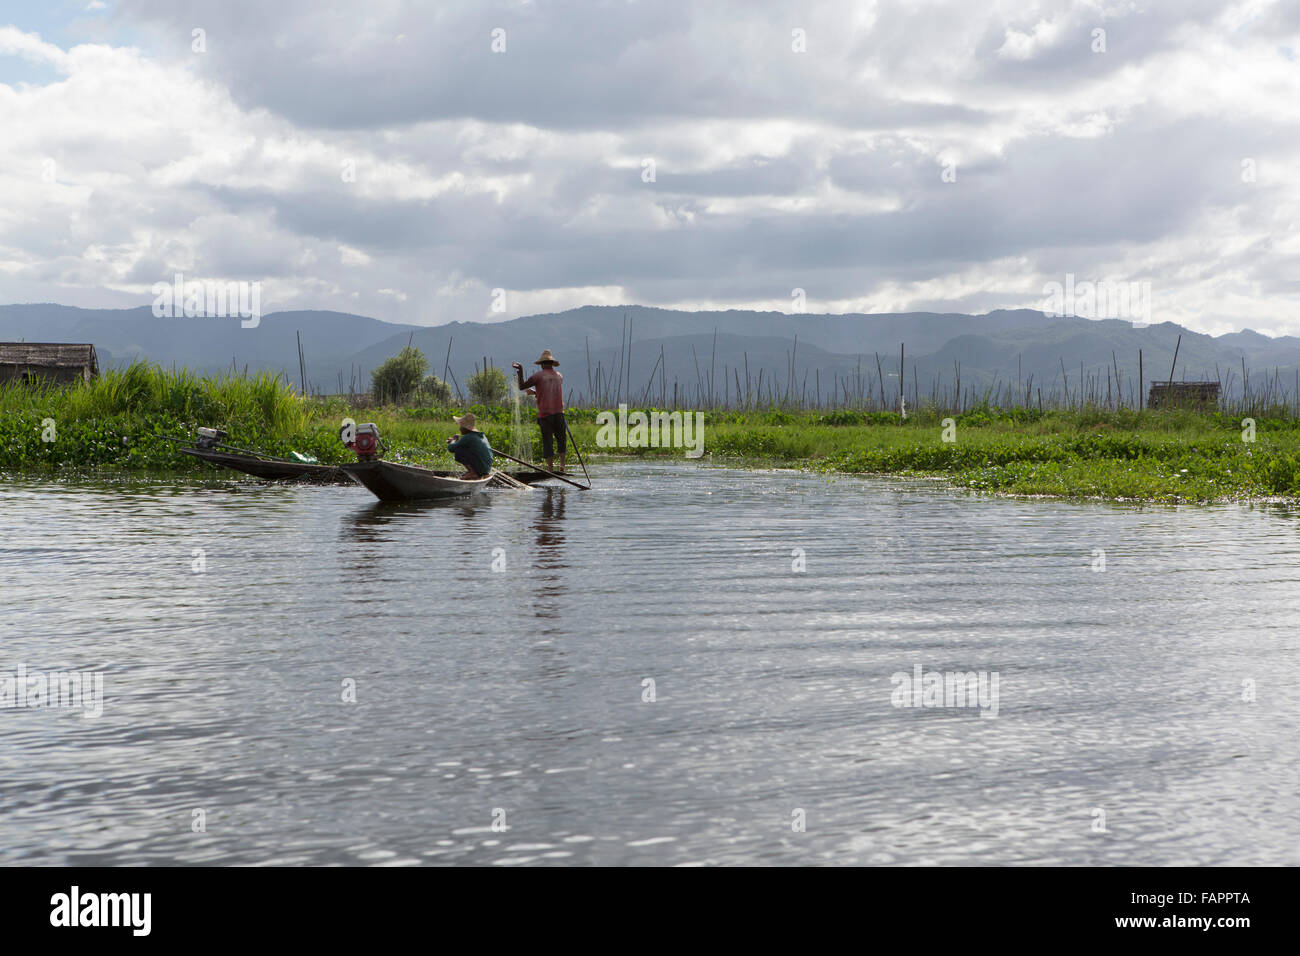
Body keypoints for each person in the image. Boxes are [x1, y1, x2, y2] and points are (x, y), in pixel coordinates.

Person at [512, 349, 566, 473]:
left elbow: (521, 386)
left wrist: (520, 370)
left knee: (548, 441)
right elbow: (549, 393)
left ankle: (550, 469)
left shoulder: (538, 376)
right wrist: (535, 392)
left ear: (542, 364)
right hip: (559, 414)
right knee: (561, 440)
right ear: (552, 363)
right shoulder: (559, 376)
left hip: (545, 415)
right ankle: (562, 466)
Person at [445, 412, 493, 479]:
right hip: (487, 468)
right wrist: (455, 441)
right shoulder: (480, 435)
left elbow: (451, 448)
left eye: (461, 426)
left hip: (482, 468)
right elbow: (462, 444)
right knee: (461, 447)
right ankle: (473, 472)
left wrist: (453, 440)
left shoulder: (469, 437)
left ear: (465, 428)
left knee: (459, 450)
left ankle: (473, 473)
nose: (460, 428)